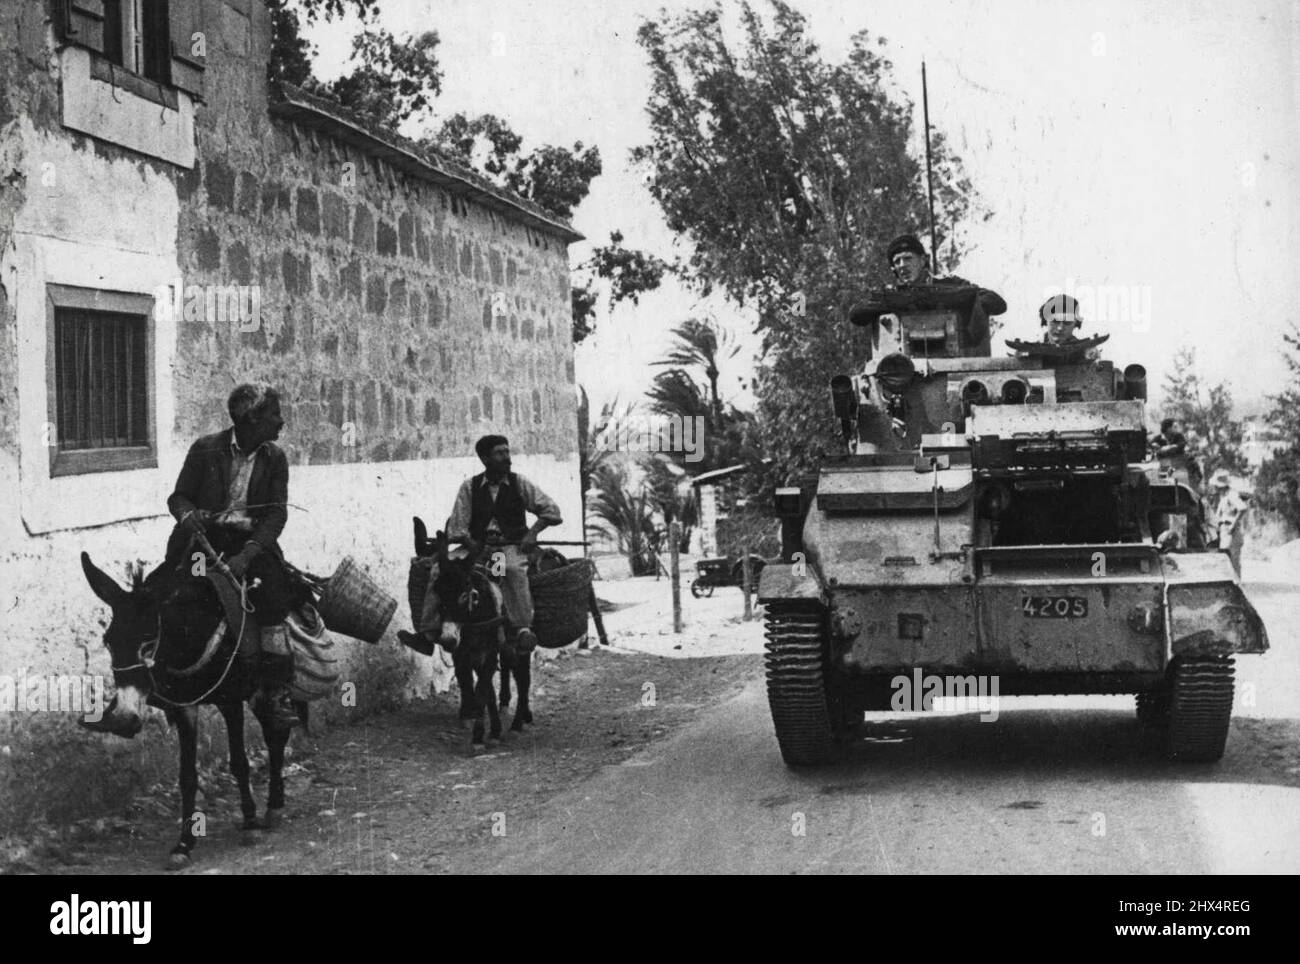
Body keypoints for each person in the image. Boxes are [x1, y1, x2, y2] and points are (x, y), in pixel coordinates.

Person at [164, 384, 299, 727]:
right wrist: (188, 515)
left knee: (275, 600)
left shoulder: (275, 459)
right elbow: (178, 498)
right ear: (251, 419)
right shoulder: (205, 450)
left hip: (252, 545)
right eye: (274, 415)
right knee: (168, 593)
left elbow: (276, 515)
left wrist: (249, 555)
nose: (281, 422)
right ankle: (159, 680)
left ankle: (276, 692)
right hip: (203, 543)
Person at [399, 435, 562, 654]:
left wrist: (532, 533)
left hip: (506, 549)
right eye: (500, 453)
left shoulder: (519, 483)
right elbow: (457, 527)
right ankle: (428, 633)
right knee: (439, 569)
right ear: (485, 458)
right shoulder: (469, 487)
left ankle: (522, 628)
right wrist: (471, 544)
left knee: (509, 569)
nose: (507, 458)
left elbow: (551, 510)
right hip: (473, 549)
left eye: (507, 452)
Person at [851, 233, 1007, 349]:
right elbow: (857, 314)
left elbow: (996, 302)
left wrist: (939, 297)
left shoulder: (948, 284)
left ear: (923, 260)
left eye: (908, 258)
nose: (902, 265)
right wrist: (902, 301)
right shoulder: (892, 295)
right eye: (897, 261)